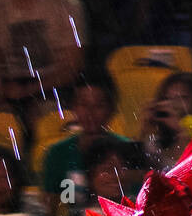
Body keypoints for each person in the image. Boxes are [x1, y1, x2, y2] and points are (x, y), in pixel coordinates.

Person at [38, 74, 134, 207]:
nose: (90, 112)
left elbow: (136, 201)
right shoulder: (57, 153)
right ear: (73, 107)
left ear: (111, 109)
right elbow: (52, 206)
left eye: (99, 105)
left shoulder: (128, 150)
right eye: (83, 104)